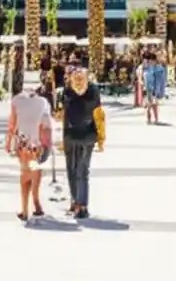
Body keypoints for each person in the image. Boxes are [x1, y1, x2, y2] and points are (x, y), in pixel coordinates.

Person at [60, 68, 105, 219]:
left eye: (81, 78)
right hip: (72, 136)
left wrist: (101, 138)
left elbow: (99, 115)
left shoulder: (91, 91)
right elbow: (64, 115)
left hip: (86, 135)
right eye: (76, 78)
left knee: (81, 170)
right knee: (74, 170)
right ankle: (77, 202)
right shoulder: (67, 92)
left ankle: (81, 204)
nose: (78, 81)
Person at [7, 80, 51, 221]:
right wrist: (48, 144)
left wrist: (8, 142)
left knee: (25, 174)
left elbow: (12, 125)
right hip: (38, 144)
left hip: (23, 143)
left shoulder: (16, 101)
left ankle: (25, 210)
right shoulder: (43, 102)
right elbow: (47, 124)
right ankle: (36, 204)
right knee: (35, 172)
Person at [141, 52, 167, 125]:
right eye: (149, 61)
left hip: (154, 89)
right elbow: (144, 77)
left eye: (151, 60)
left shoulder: (158, 68)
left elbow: (160, 81)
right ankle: (149, 119)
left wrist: (157, 91)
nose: (150, 62)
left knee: (153, 104)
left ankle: (155, 119)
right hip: (148, 88)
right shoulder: (148, 67)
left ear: (154, 60)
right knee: (150, 104)